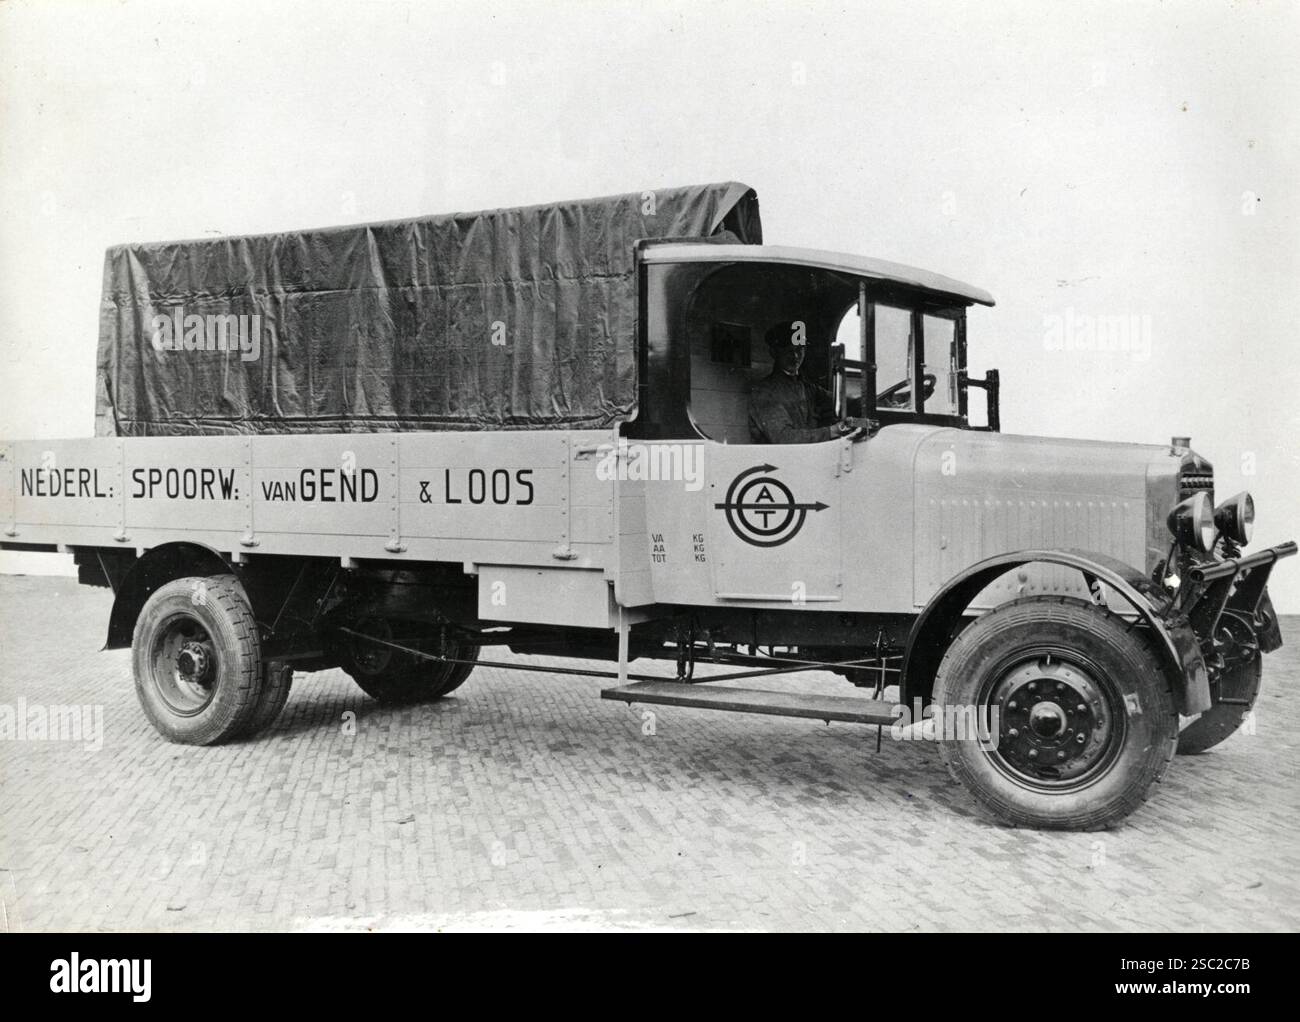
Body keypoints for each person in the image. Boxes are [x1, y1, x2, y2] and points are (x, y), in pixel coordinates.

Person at [748, 321, 875, 443]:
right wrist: (833, 431)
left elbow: (842, 402)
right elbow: (784, 438)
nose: (795, 356)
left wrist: (871, 401)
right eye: (788, 351)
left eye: (799, 350)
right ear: (774, 353)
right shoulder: (763, 392)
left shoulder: (808, 388)